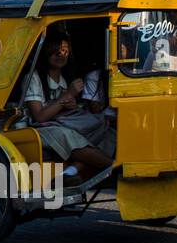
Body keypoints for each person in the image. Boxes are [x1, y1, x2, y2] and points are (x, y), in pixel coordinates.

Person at [23, 30, 115, 181]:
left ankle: (72, 170)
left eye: (65, 51)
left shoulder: (66, 76)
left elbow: (66, 105)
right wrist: (68, 94)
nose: (61, 55)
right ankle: (115, 168)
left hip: (64, 120)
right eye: (56, 51)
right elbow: (39, 116)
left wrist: (70, 104)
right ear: (46, 52)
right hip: (42, 128)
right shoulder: (34, 78)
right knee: (66, 135)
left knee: (103, 126)